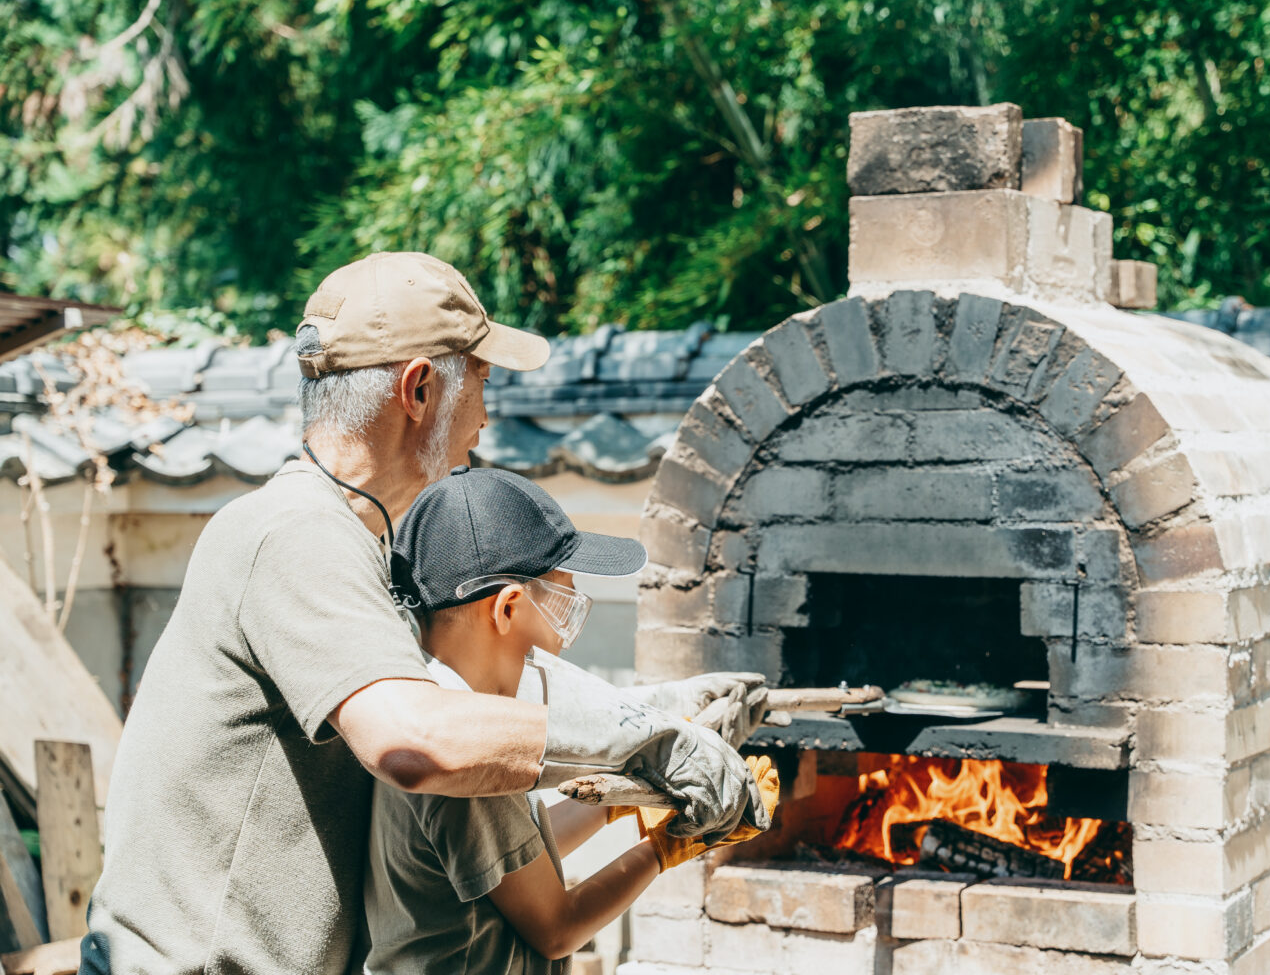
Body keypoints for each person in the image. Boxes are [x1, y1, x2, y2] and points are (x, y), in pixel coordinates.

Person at [82, 252, 770, 975]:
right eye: (481, 381)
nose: (483, 417)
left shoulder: (363, 545)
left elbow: (474, 695)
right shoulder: (294, 534)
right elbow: (414, 738)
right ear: (418, 389)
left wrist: (657, 713)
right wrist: (642, 737)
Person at [365, 467, 779, 974]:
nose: (569, 629)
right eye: (565, 600)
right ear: (508, 608)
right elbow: (557, 928)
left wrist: (623, 799)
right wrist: (667, 847)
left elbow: (517, 861)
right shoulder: (462, 757)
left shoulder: (444, 705)